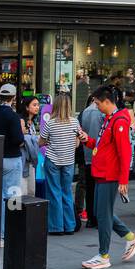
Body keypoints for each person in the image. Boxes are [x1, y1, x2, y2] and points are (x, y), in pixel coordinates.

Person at [81, 88, 135, 269]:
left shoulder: (118, 121)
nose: (96, 106)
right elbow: (102, 145)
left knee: (103, 214)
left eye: (98, 103)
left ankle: (104, 255)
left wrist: (123, 180)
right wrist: (87, 140)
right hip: (102, 173)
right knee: (102, 212)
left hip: (109, 174)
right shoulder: (111, 119)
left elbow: (125, 153)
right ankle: (131, 239)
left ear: (107, 101)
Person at [0, 84, 25, 243]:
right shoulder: (13, 116)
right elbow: (18, 139)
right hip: (11, 158)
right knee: (13, 196)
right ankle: (10, 231)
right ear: (14, 98)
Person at [40, 92, 85, 235]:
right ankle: (70, 225)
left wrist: (50, 141)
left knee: (54, 193)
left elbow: (40, 142)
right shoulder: (75, 121)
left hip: (53, 160)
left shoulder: (50, 123)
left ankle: (56, 227)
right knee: (66, 192)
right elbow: (78, 142)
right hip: (68, 161)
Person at [78, 88, 105, 228]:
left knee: (89, 188)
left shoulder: (85, 112)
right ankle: (96, 217)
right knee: (98, 188)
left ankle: (90, 217)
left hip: (87, 153)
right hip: (98, 155)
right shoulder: (99, 112)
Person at [17, 95, 42, 197]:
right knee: (22, 190)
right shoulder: (21, 121)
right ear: (27, 107)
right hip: (22, 160)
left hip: (31, 160)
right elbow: (20, 141)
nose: (37, 107)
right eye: (34, 105)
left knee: (31, 190)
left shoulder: (32, 122)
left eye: (38, 105)